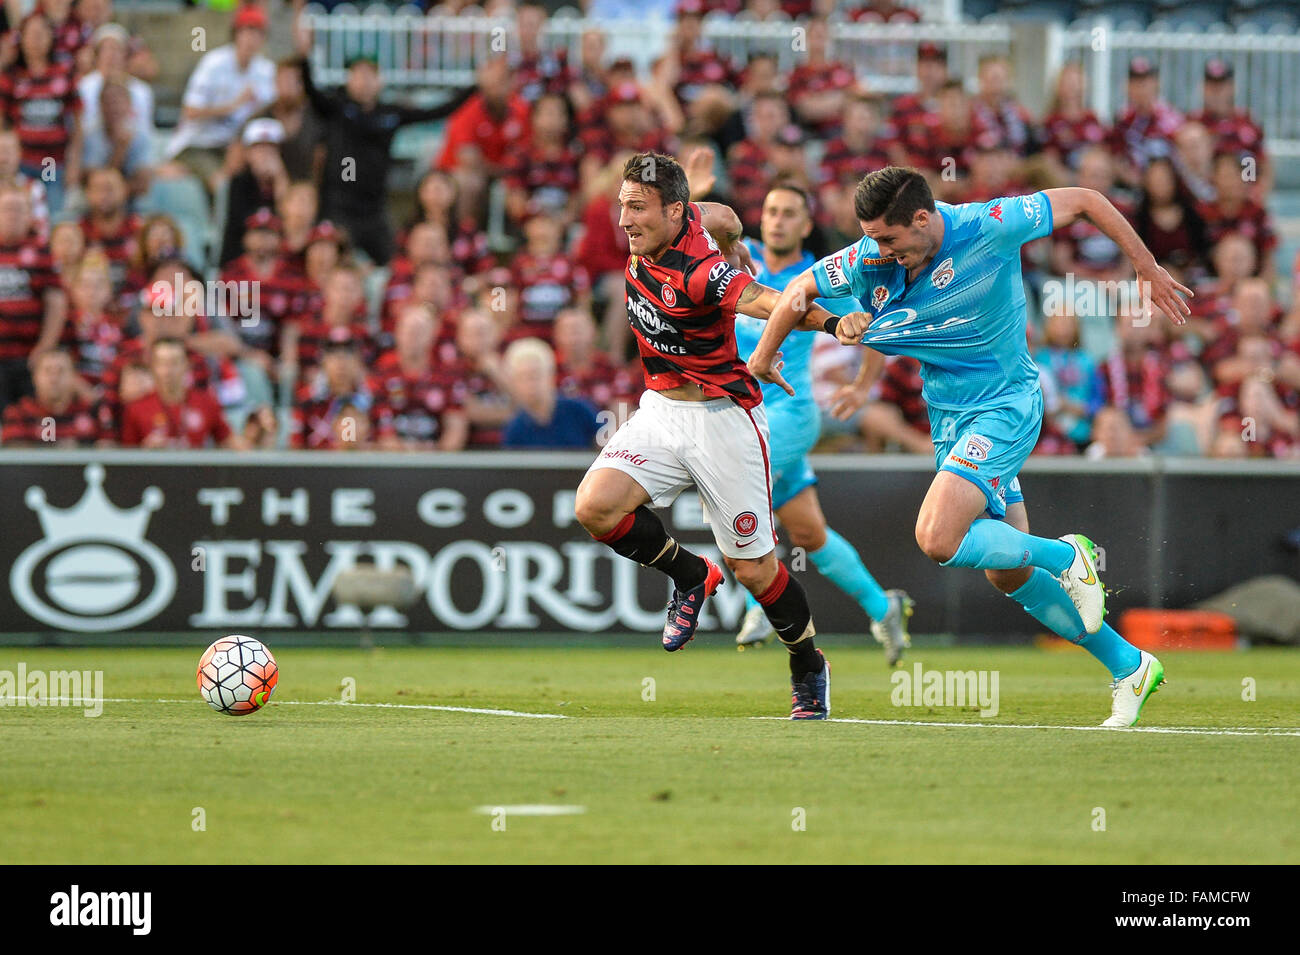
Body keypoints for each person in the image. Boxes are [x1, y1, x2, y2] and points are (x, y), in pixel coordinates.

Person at [749, 166, 1194, 728]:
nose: (877, 250)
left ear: (922, 218)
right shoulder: (871, 258)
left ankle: (1066, 555)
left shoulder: (991, 225)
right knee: (1005, 571)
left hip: (1007, 407)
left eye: (888, 237)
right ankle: (1128, 665)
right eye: (870, 237)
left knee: (937, 537)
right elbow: (797, 292)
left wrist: (1145, 266)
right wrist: (784, 346)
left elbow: (1084, 199)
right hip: (953, 424)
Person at [572, 151, 841, 720]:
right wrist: (739, 239)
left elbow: (770, 302)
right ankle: (692, 575)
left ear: (673, 213)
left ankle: (808, 663)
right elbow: (721, 216)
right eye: (622, 206)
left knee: (755, 570)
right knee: (595, 508)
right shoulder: (683, 221)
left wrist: (836, 323)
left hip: (723, 421)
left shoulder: (701, 272)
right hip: (661, 411)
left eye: (637, 209)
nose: (624, 221)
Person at [730, 181, 913, 661]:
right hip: (743, 413)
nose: (778, 220)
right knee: (809, 534)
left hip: (789, 412)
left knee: (746, 492)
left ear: (806, 225)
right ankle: (884, 606)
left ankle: (760, 602)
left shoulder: (818, 278)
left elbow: (874, 323)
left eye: (790, 213)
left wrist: (863, 386)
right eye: (772, 210)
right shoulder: (739, 260)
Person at [295, 21, 477, 265]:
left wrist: (476, 87)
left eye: (371, 75)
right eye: (358, 75)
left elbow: (437, 111)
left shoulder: (390, 114)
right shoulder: (337, 109)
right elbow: (311, 91)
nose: (364, 81)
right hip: (339, 206)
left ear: (380, 81)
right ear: (349, 81)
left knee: (389, 264)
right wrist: (304, 56)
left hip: (374, 207)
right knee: (338, 262)